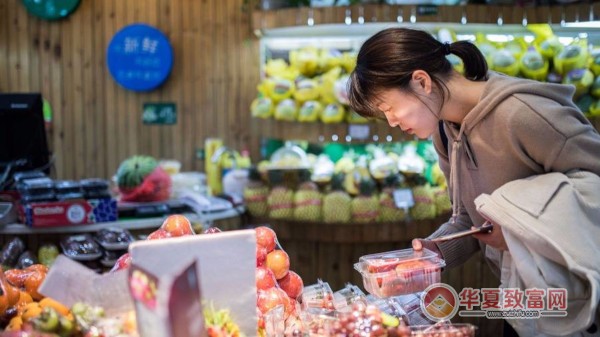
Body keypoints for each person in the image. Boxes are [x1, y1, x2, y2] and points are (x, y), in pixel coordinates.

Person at [347, 27, 600, 336]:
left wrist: (520, 230)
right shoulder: (445, 131)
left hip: (582, 296)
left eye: (389, 108)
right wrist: (432, 253)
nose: (392, 122)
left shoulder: (523, 115)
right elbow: (469, 217)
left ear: (422, 81)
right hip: (525, 297)